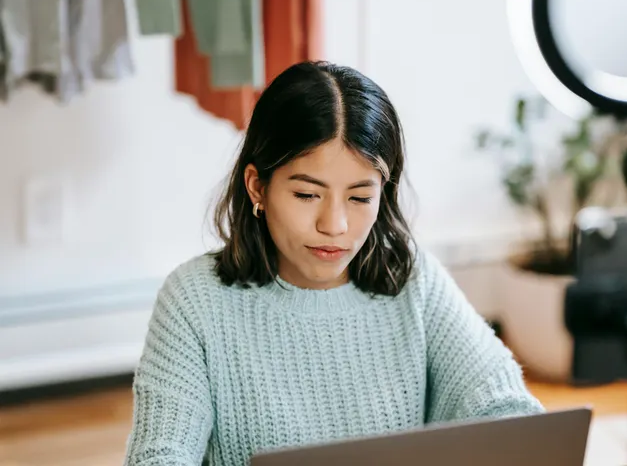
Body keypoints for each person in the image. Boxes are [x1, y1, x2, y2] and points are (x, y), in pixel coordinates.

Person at [123, 61, 544, 466]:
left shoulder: (413, 280)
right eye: (307, 195)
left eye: (360, 198)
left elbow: (506, 409)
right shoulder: (194, 301)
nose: (335, 225)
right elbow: (159, 456)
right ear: (257, 187)